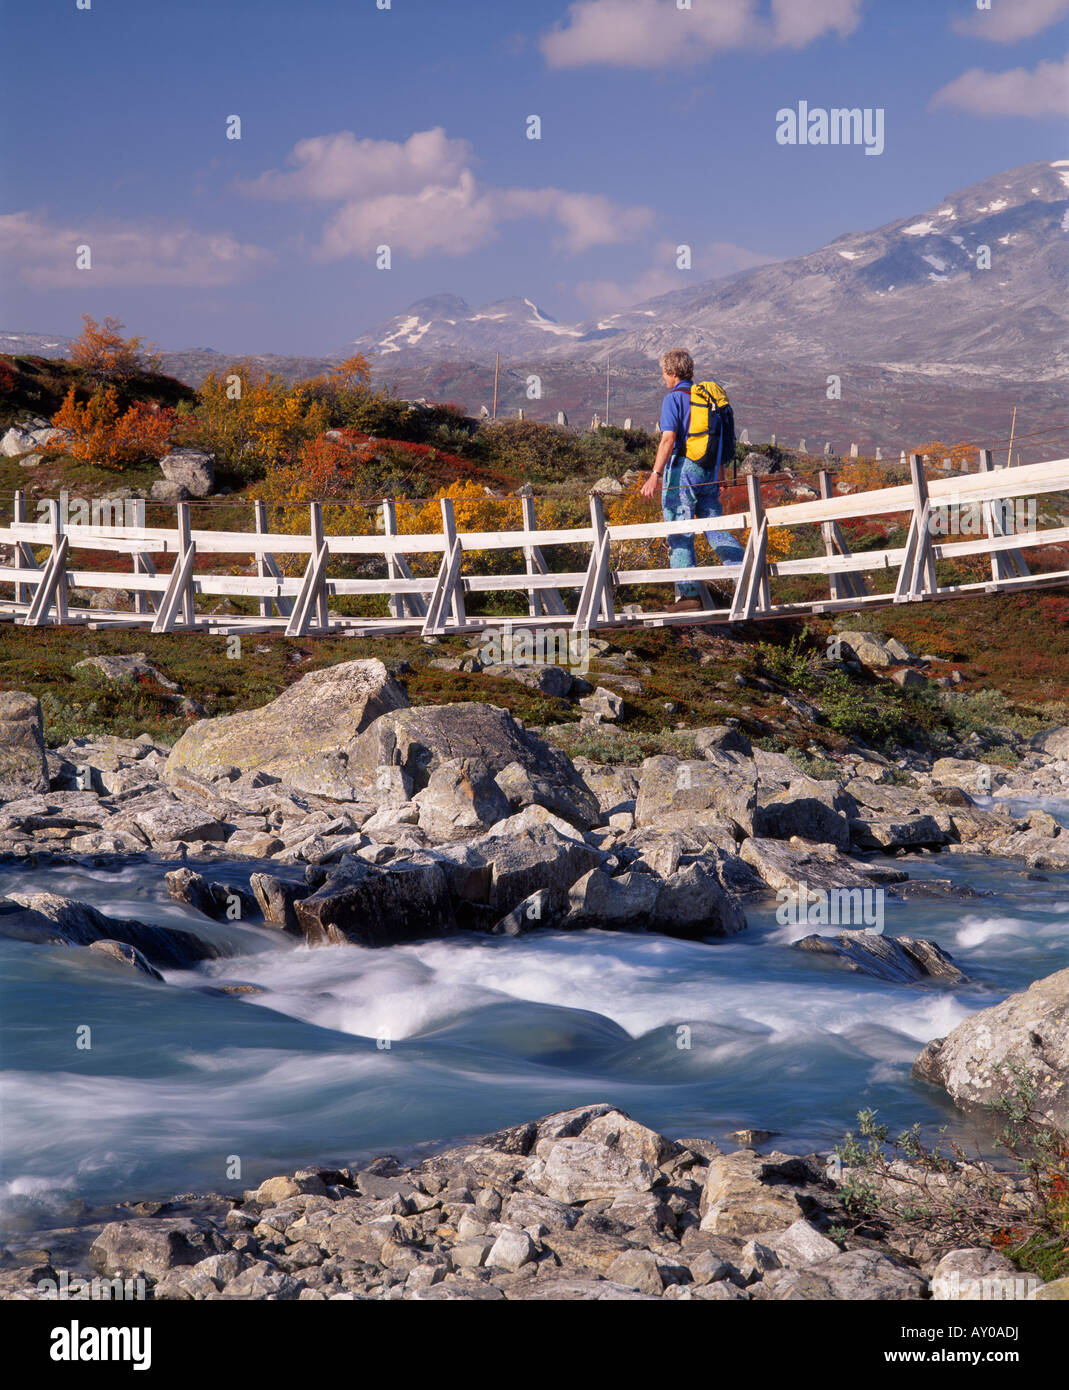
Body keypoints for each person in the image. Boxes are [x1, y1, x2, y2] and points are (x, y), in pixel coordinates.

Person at [640, 348, 745, 612]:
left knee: (679, 532)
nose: (662, 376)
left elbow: (668, 439)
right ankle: (746, 577)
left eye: (664, 372)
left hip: (683, 469)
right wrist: (718, 474)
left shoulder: (673, 399)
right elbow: (715, 441)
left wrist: (655, 474)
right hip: (708, 470)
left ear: (673, 373)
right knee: (715, 527)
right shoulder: (707, 398)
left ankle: (689, 597)